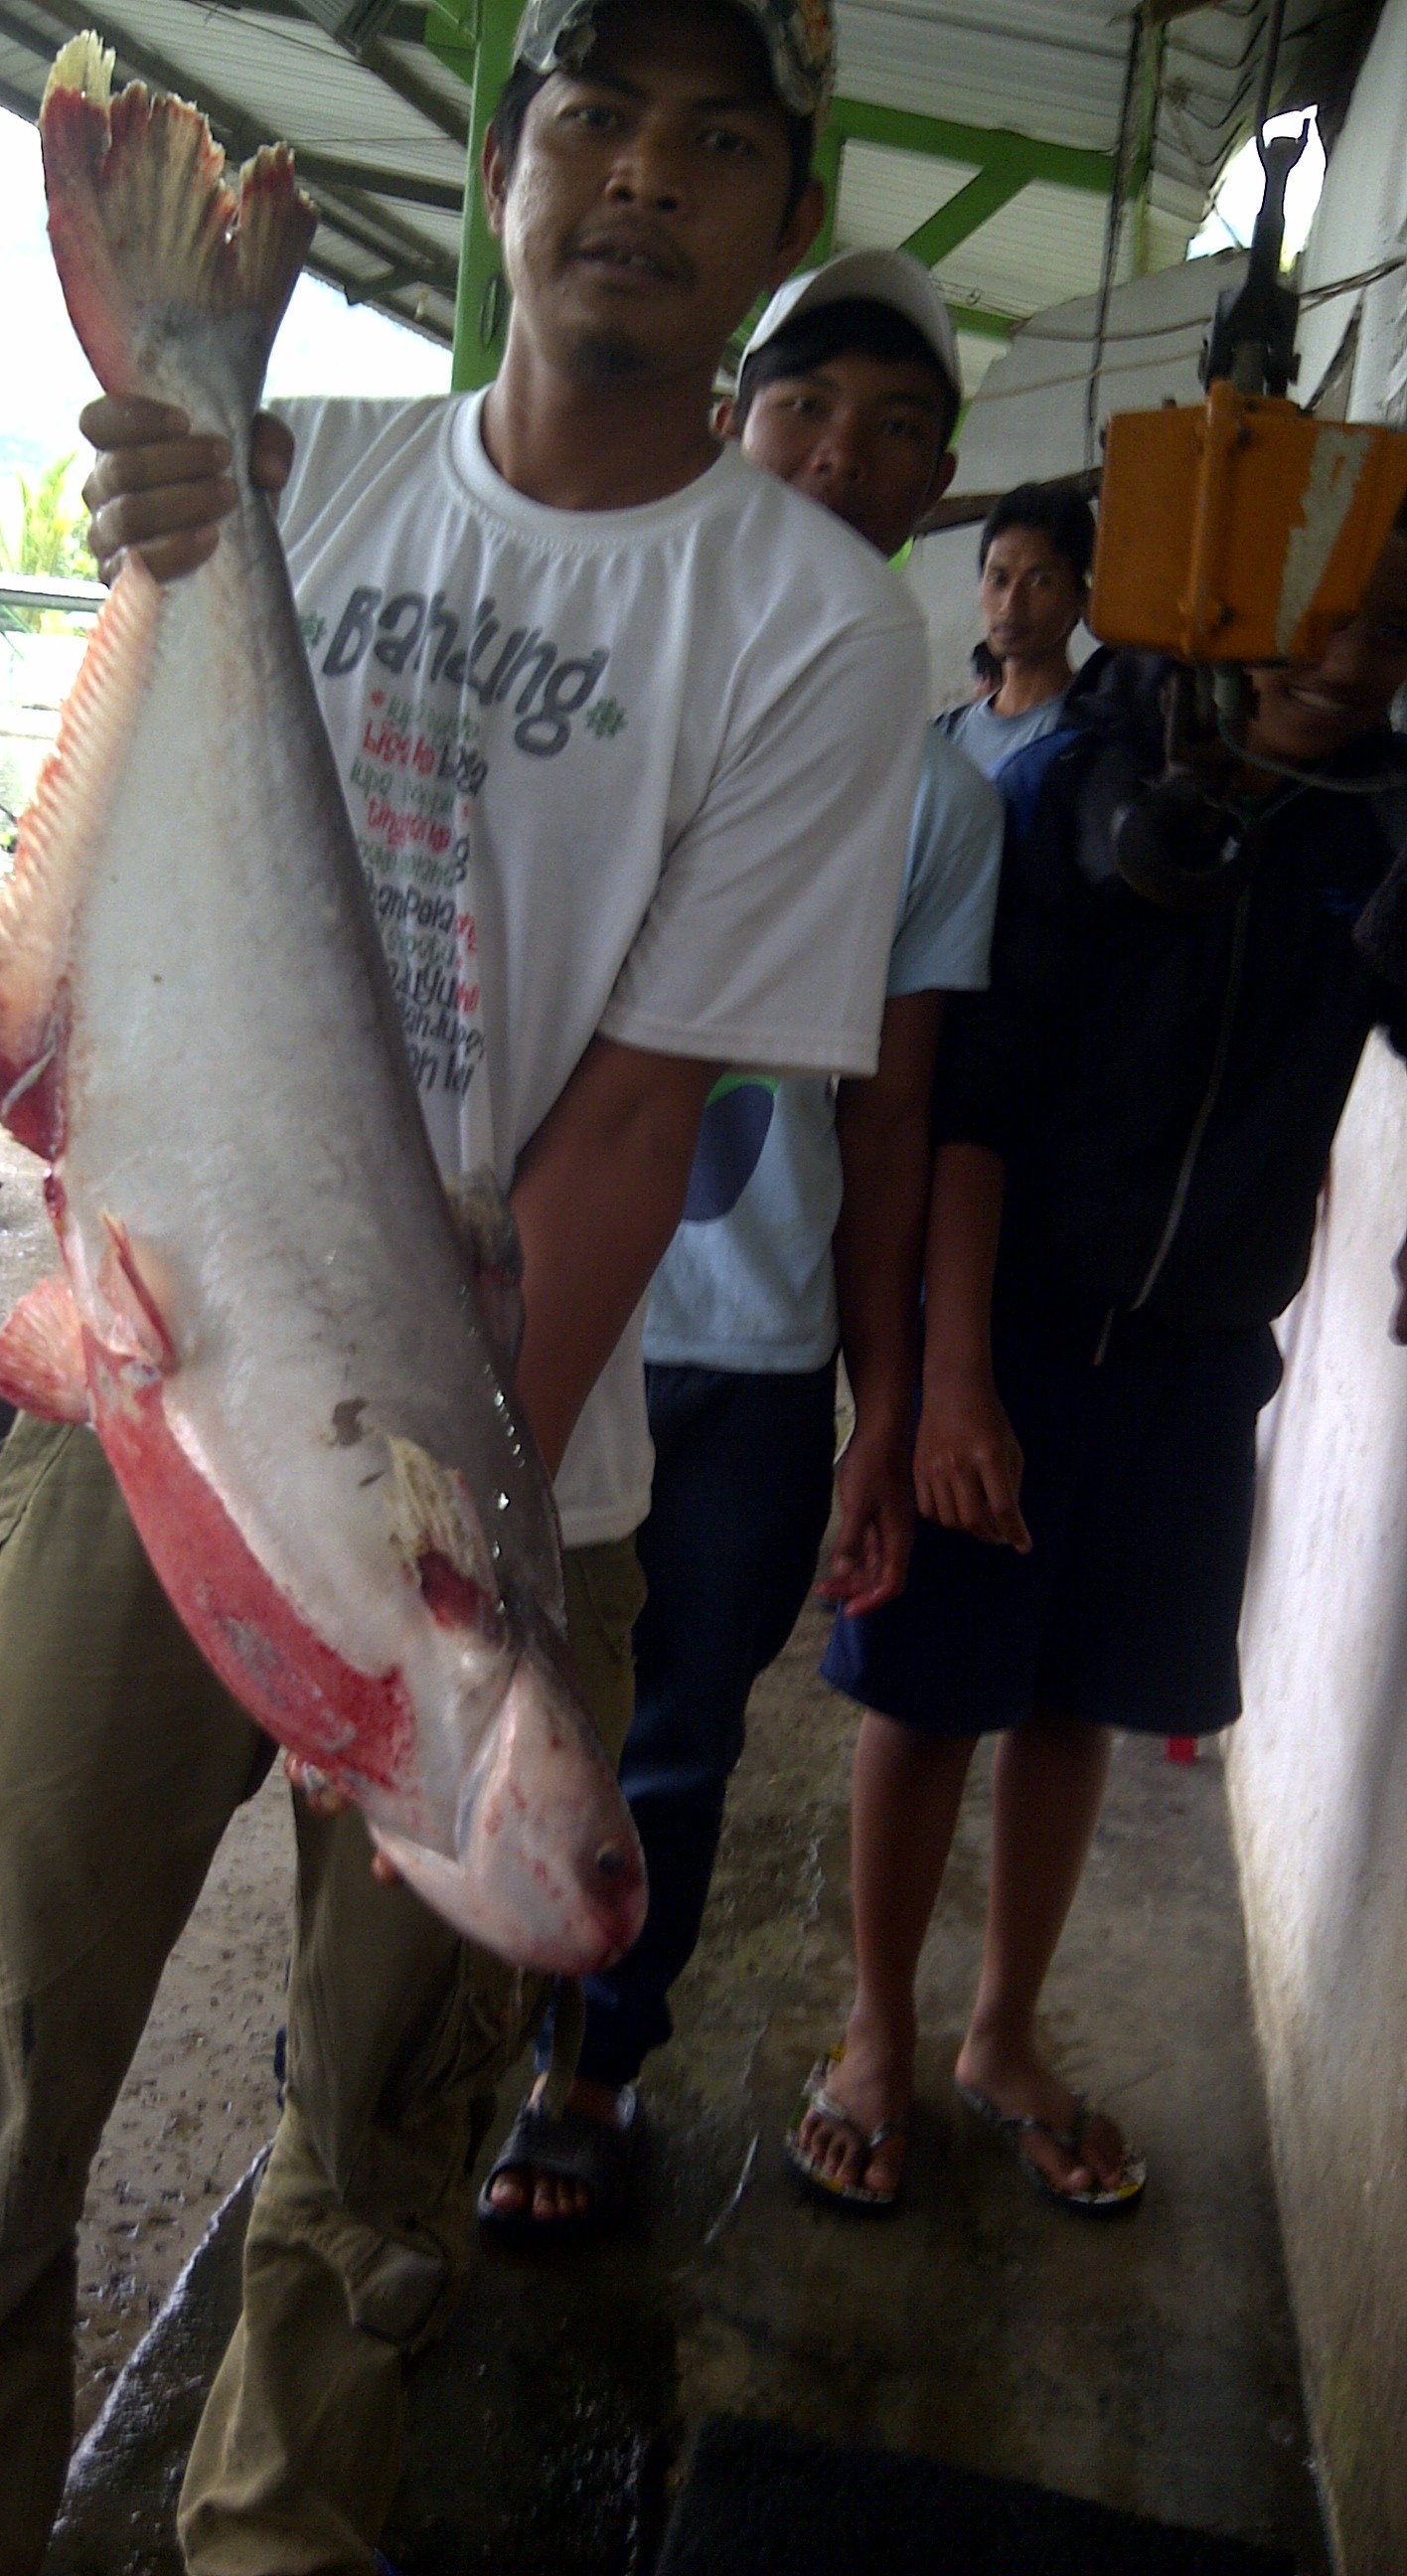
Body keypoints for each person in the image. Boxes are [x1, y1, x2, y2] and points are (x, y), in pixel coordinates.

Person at [0, 6, 928, 2572]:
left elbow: (643, 1123)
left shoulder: (821, 639)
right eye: (596, 119)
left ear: (778, 215)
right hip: (150, 1403)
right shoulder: (319, 482)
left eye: (717, 139)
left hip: (509, 1492)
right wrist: (174, 506)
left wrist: (429, 1587)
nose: (644, 176)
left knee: (372, 2194)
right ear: (514, 165)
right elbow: (151, 833)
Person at [478, 249, 1004, 2234]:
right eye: (802, 406)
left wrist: (877, 1408)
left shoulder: (944, 806)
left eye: (893, 428)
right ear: (731, 422)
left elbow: (894, 1122)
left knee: (673, 1738)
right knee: (465, 1689)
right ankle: (415, 2025)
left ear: (936, 491)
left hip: (751, 1360)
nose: (838, 453)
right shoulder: (588, 693)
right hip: (533, 1316)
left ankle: (596, 2065)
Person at [801, 520, 1407, 2212]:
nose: (1337, 661)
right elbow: (972, 1113)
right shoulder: (1079, 781)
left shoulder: (1377, 826)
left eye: (1385, 632)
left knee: (1069, 1694)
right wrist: (950, 1378)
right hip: (1011, 1335)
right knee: (923, 1689)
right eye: (1311, 613)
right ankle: (872, 2032)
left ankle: (996, 2034)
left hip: (1199, 1357)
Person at [938, 481, 1095, 778]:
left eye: (1039, 582)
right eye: (998, 579)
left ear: (1080, 598)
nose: (1010, 606)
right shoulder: (947, 735)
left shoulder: (1091, 736)